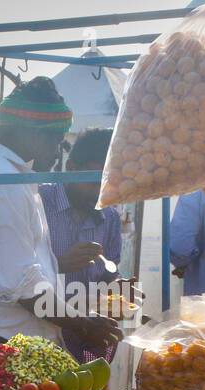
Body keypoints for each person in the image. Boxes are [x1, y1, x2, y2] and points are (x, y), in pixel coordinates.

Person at [0, 77, 121, 380]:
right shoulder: (0, 183)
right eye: (55, 139)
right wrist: (83, 325)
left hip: (6, 337)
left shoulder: (12, 179)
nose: (57, 150)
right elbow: (22, 286)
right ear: (30, 135)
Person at [39, 127, 127, 363]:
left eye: (108, 184)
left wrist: (120, 289)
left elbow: (110, 272)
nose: (99, 193)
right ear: (72, 169)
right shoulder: (39, 204)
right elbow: (16, 275)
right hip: (43, 333)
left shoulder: (109, 217)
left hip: (91, 335)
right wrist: (59, 264)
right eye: (93, 182)